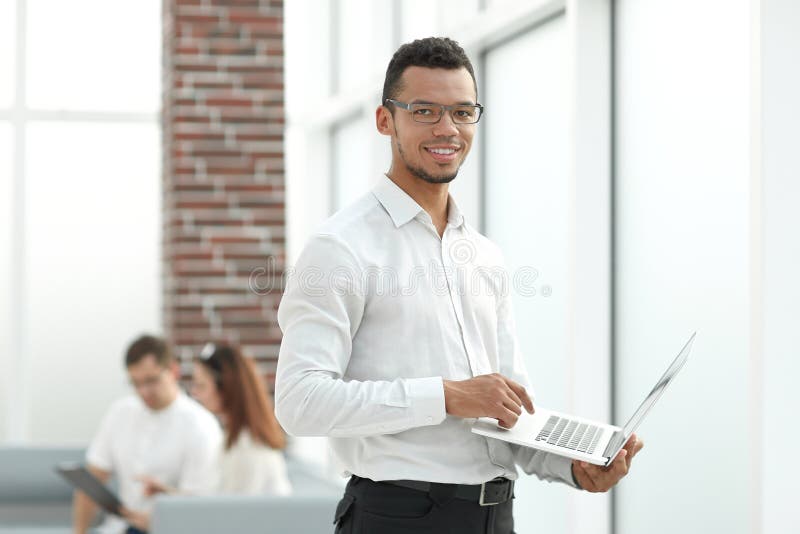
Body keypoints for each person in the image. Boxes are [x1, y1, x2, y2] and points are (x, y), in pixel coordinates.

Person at [274, 37, 645, 534]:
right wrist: (447, 395)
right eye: (425, 110)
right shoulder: (340, 247)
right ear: (386, 120)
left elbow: (507, 411)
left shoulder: (485, 255)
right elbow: (299, 403)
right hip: (398, 518)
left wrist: (572, 467)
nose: (447, 128)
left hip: (495, 517)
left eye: (462, 112)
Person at [72, 334, 222, 534]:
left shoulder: (201, 426)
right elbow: (92, 481)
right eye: (135, 383)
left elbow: (196, 508)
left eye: (151, 381)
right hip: (118, 528)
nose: (144, 391)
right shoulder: (120, 413)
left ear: (173, 371)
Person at [142, 343, 291, 497]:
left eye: (201, 385)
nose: (194, 392)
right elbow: (220, 501)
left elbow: (231, 513)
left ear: (226, 388)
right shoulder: (235, 438)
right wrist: (170, 495)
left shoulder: (248, 447)